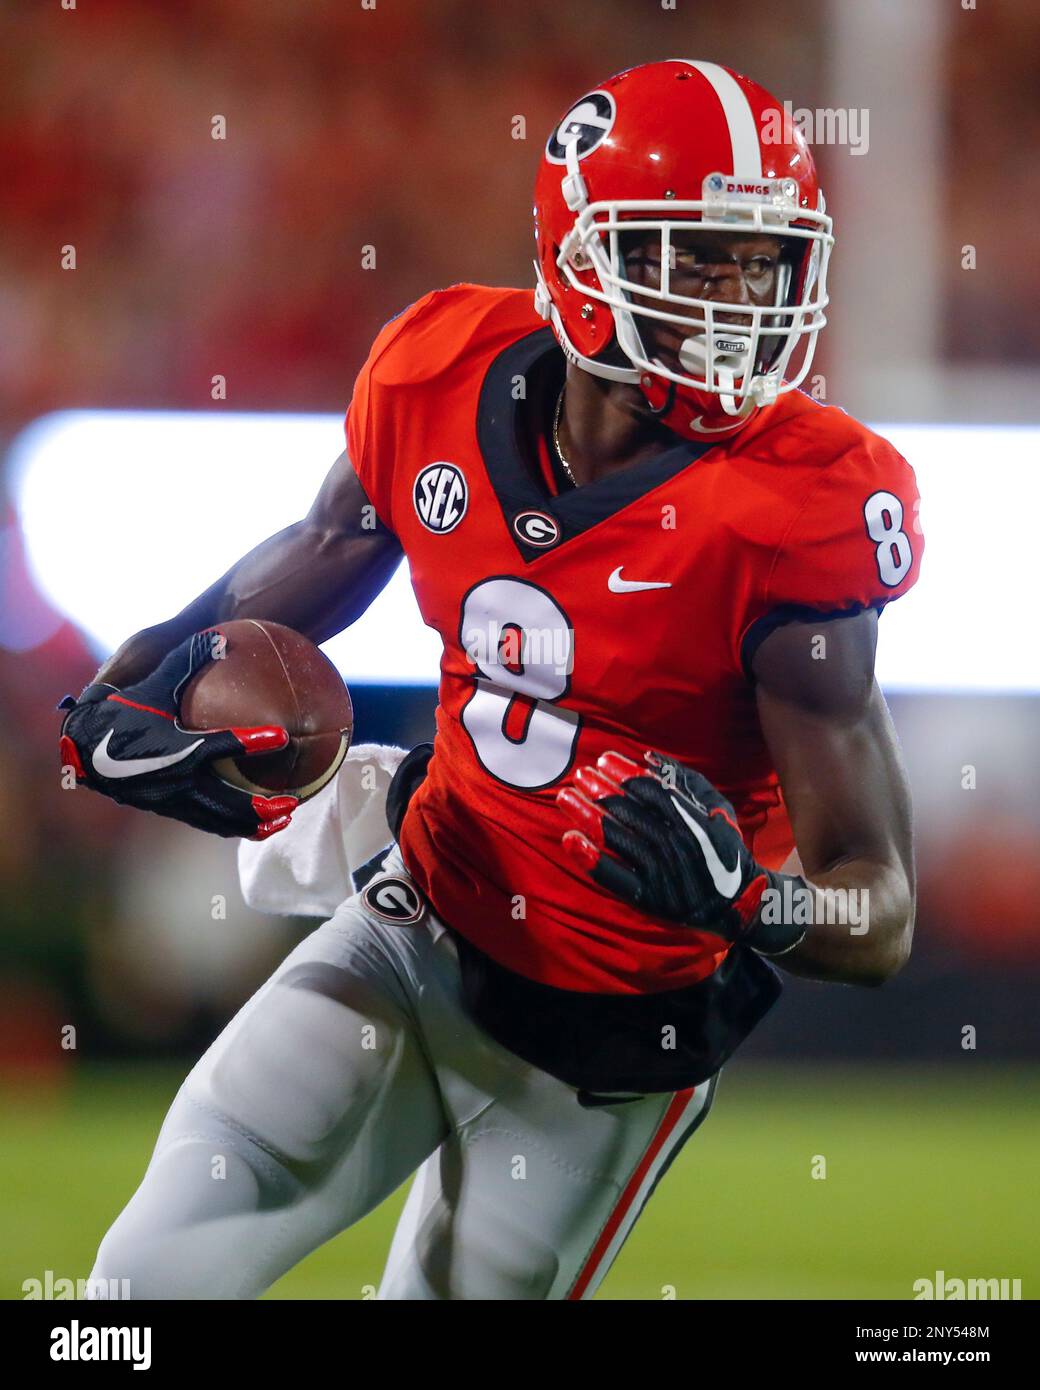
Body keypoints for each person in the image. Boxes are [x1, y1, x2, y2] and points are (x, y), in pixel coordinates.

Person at [60, 59, 922, 1300]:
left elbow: (878, 909)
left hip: (614, 1037)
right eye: (697, 259)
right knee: (143, 1282)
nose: (737, 299)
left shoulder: (797, 505)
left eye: (759, 262)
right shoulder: (438, 372)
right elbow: (281, 582)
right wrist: (126, 701)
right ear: (581, 254)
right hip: (424, 916)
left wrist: (757, 903)